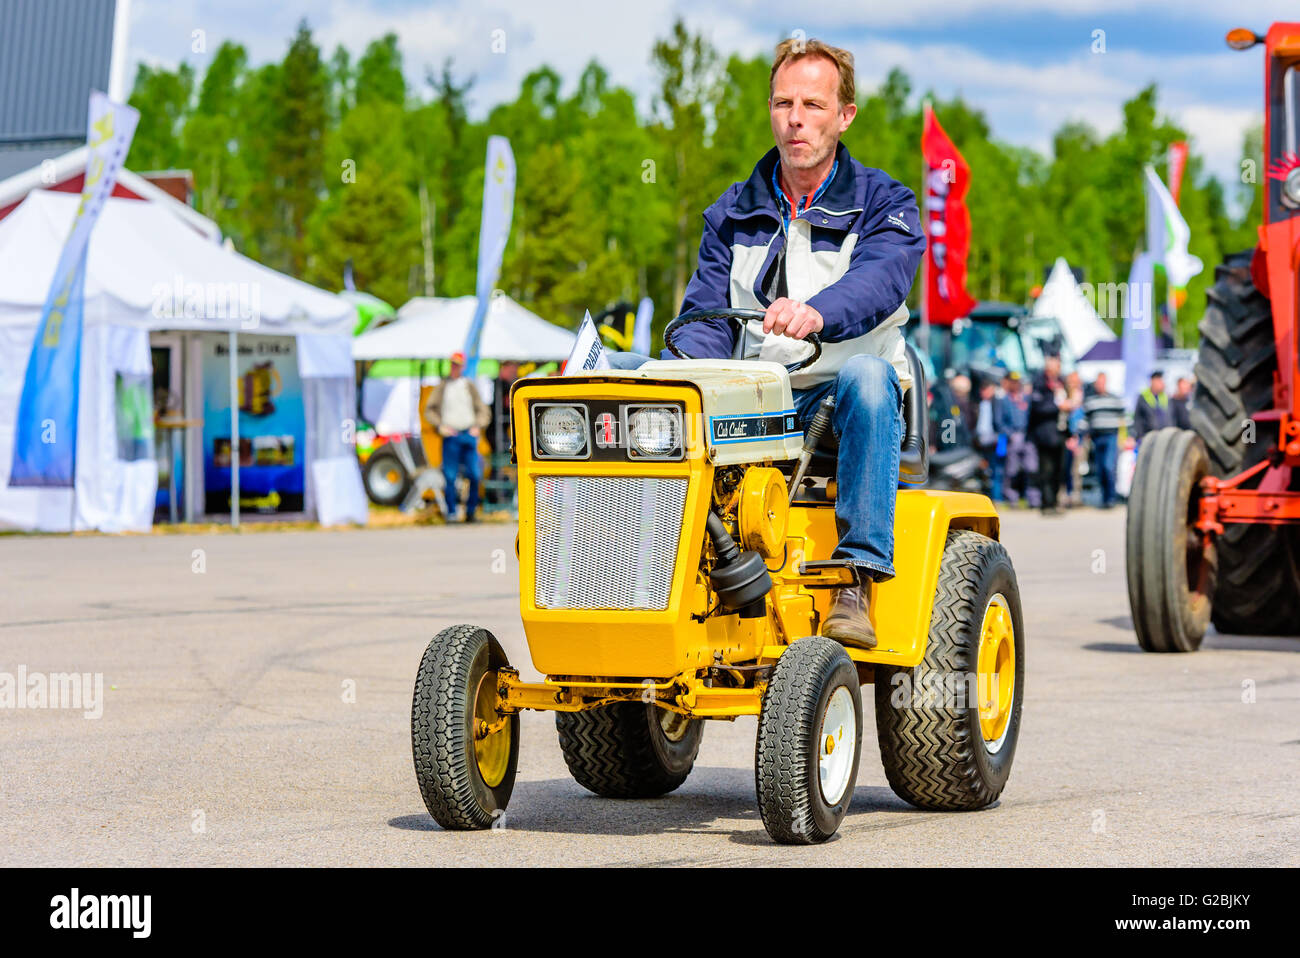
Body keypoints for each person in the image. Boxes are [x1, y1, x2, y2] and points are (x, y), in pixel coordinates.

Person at [610, 37, 924, 648]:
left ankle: (855, 578)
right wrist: (674, 369)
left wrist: (817, 312)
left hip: (840, 400)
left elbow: (880, 281)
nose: (796, 118)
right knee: (621, 374)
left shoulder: (886, 203)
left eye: (812, 103)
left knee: (865, 375)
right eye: (783, 103)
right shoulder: (730, 213)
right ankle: (632, 578)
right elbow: (705, 318)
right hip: (756, 399)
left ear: (844, 115)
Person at [423, 351, 490, 522]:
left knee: (475, 474)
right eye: (453, 364)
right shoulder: (443, 386)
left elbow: (483, 410)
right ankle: (451, 512)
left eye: (458, 365)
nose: (455, 368)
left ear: (463, 366)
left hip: (468, 434)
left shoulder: (468, 385)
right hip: (451, 436)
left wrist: (478, 425)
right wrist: (440, 426)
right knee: (450, 476)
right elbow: (429, 410)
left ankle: (471, 512)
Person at [1028, 354, 1074, 515]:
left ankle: (1054, 502)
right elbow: (1038, 408)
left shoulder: (1061, 383)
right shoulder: (1039, 383)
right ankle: (1046, 504)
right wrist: (1059, 406)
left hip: (1060, 434)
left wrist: (1070, 433)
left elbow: (1068, 407)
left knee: (1059, 470)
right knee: (1046, 471)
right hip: (1045, 435)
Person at [1083, 371, 1124, 508]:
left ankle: (1111, 498)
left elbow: (1125, 419)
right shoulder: (1090, 401)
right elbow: (1085, 420)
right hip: (1097, 437)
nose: (1100, 385)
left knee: (1108, 467)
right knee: (1100, 469)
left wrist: (1127, 436)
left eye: (1102, 382)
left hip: (1111, 436)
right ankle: (1105, 497)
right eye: (1098, 383)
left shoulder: (1115, 399)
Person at [1001, 372, 1038, 507]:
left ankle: (1033, 498)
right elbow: (1000, 422)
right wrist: (1010, 434)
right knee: (1011, 470)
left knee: (1031, 468)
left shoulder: (1027, 399)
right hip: (1013, 436)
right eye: (1013, 382)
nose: (1016, 384)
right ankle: (1012, 498)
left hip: (1028, 436)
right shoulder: (1005, 400)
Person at [973, 377, 1006, 500]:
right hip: (980, 443)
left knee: (997, 471)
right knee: (983, 471)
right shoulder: (978, 404)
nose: (984, 392)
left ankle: (997, 498)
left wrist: (1000, 436)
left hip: (995, 442)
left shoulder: (999, 403)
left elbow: (1002, 422)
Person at [1132, 370, 1171, 443]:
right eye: (1159, 381)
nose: (1162, 383)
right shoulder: (1143, 396)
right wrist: (1139, 436)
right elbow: (1137, 418)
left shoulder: (1164, 397)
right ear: (1152, 381)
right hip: (1147, 437)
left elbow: (1169, 418)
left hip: (1164, 437)